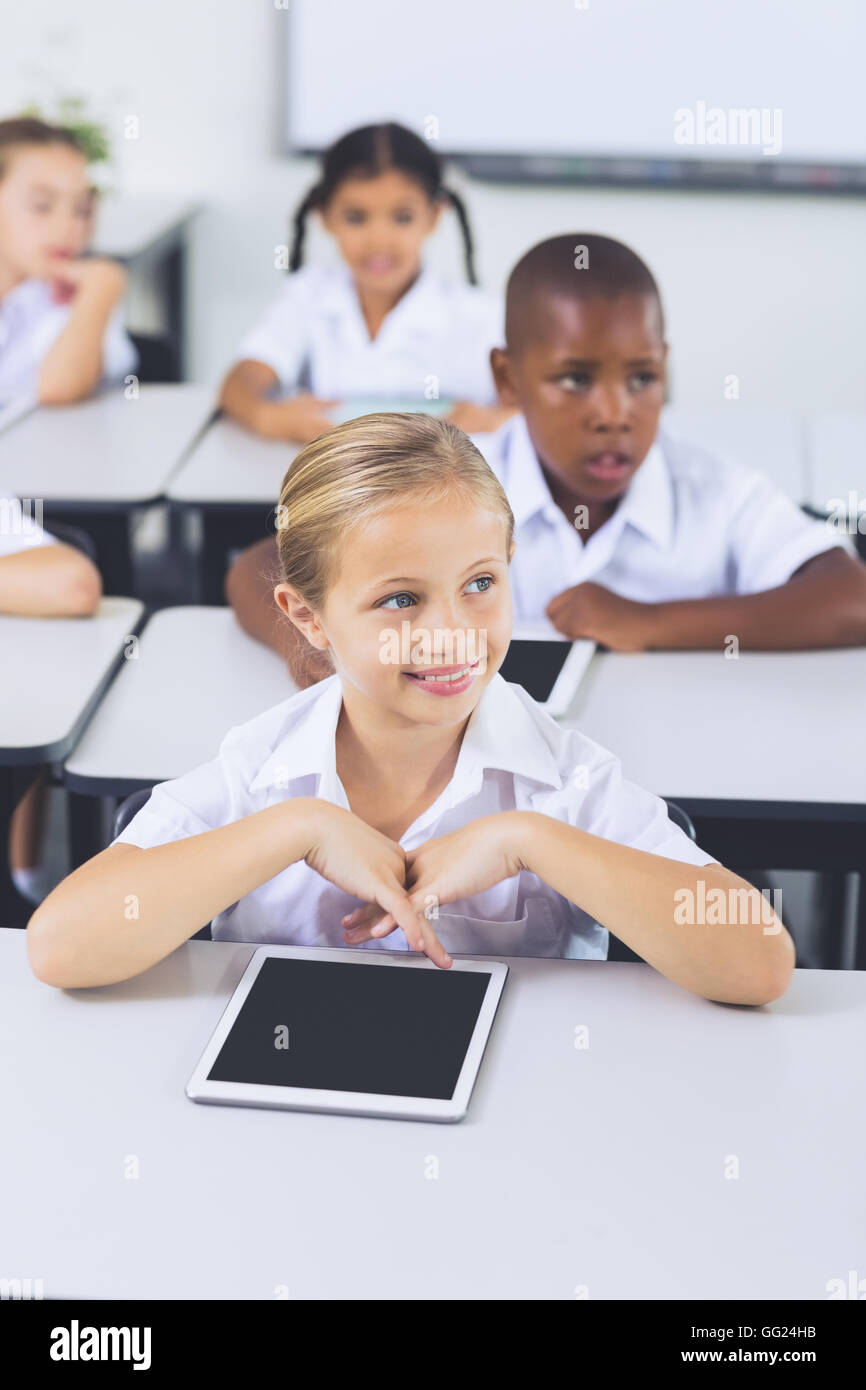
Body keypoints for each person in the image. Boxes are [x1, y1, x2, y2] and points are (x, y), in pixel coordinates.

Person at [28, 414, 793, 1006]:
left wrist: (531, 839)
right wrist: (295, 828)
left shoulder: (565, 781)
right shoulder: (259, 770)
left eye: (481, 584)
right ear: (309, 618)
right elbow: (61, 948)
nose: (452, 632)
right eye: (401, 599)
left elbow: (759, 963)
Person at [0, 116, 136, 408]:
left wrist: (102, 290)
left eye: (81, 210)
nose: (68, 226)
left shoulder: (79, 300)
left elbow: (58, 388)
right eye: (42, 206)